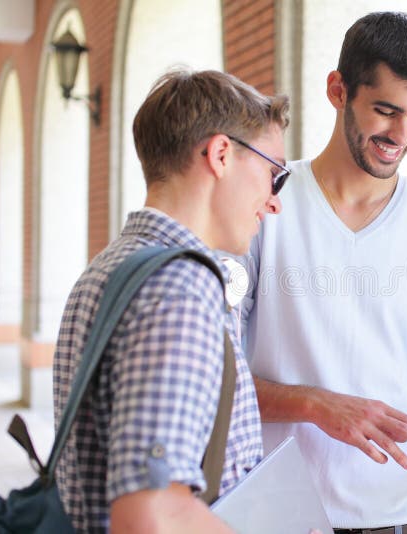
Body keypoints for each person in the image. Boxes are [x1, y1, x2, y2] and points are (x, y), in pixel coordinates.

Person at [241, 11, 407, 533]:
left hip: (404, 517)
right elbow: (217, 378)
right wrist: (318, 405)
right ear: (338, 90)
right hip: (280, 516)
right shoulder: (266, 203)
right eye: (385, 111)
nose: (401, 134)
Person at [52, 69, 290, 533]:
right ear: (221, 155)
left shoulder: (111, 268)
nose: (273, 202)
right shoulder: (179, 288)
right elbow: (152, 516)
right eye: (273, 174)